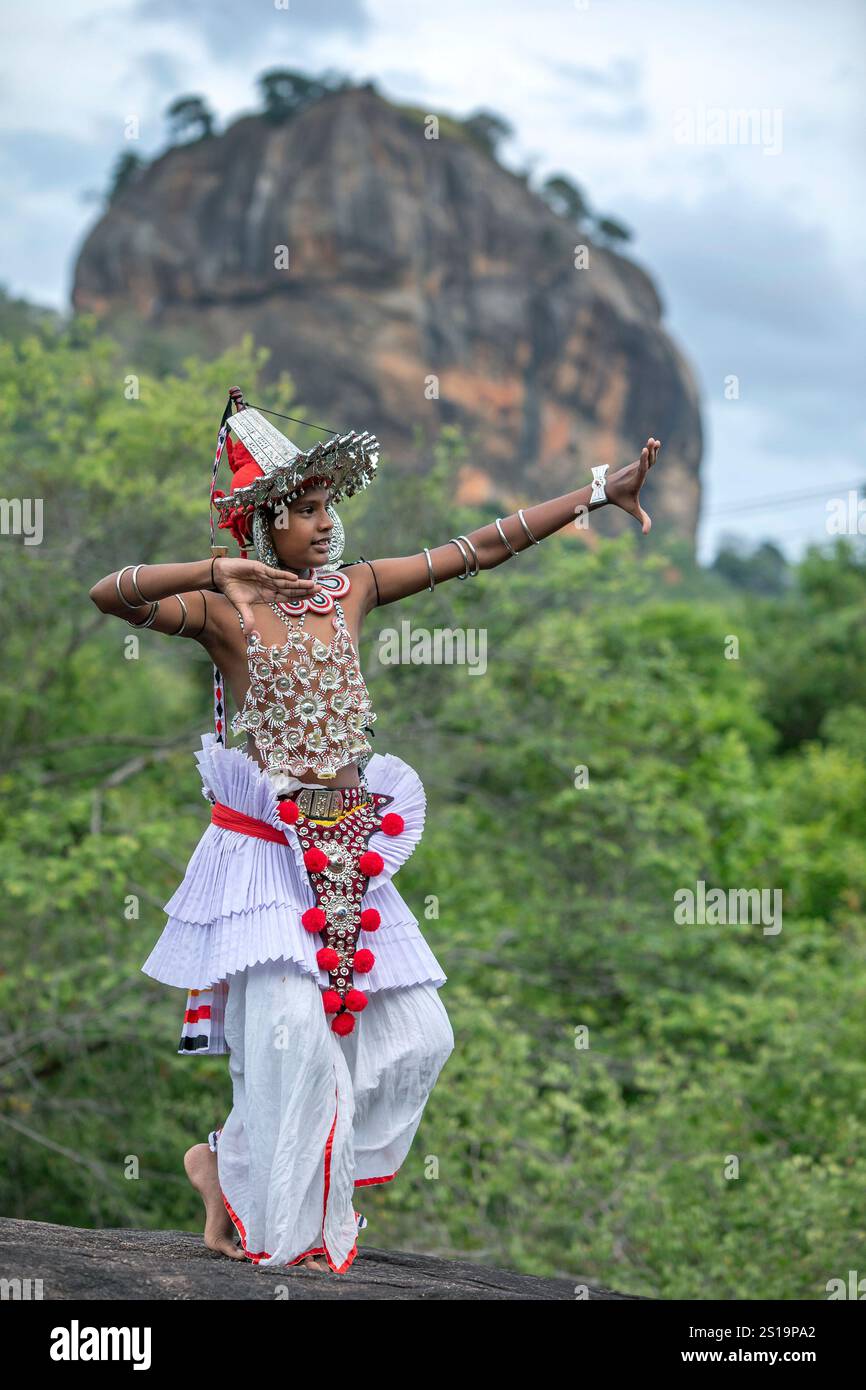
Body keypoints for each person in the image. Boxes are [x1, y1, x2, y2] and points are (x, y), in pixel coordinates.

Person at [88, 388, 661, 1275]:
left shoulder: (350, 592)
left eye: (328, 507)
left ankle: (228, 1165)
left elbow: (481, 547)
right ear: (263, 525)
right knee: (291, 1043)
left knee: (419, 1037)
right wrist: (214, 575)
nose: (324, 525)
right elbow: (109, 595)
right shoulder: (225, 614)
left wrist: (593, 493)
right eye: (304, 510)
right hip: (267, 860)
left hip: (355, 854)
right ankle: (275, 1221)